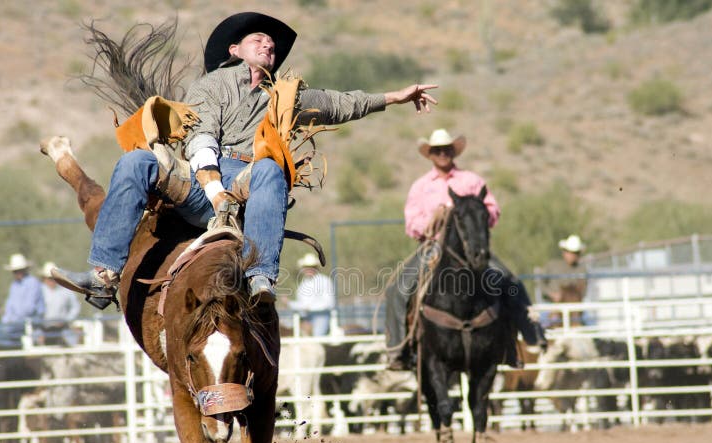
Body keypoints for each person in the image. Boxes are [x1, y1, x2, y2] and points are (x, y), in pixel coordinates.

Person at [53, 12, 437, 308]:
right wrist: (213, 188)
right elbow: (201, 133)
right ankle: (105, 275)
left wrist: (394, 97)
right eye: (259, 39)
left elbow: (340, 103)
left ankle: (260, 278)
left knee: (271, 166)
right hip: (198, 180)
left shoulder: (285, 96)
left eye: (272, 43)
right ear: (234, 50)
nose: (269, 44)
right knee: (137, 162)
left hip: (249, 180)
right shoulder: (212, 85)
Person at [384, 129, 546, 371]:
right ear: (430, 154)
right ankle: (398, 351)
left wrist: (473, 215)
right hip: (433, 247)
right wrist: (432, 221)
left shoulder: (471, 181)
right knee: (397, 290)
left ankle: (526, 337)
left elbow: (492, 210)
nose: (443, 153)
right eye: (437, 150)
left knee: (509, 281)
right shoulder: (420, 186)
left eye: (447, 149)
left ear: (454, 151)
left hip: (472, 248)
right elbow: (411, 223)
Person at [0, 253, 45, 348]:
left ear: (25, 270)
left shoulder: (33, 283)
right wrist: (6, 320)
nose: (17, 273)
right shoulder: (14, 285)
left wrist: (11, 321)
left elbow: (29, 309)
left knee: (0, 333)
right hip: (16, 324)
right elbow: (9, 306)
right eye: (15, 271)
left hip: (30, 323)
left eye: (19, 270)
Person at [540, 234, 588, 326]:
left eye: (575, 253)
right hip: (553, 305)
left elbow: (583, 290)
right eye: (570, 252)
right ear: (564, 252)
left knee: (588, 324)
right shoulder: (552, 265)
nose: (572, 255)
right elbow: (541, 283)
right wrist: (551, 294)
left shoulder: (582, 269)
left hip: (575, 308)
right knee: (543, 324)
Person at [287, 252, 336, 337]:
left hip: (321, 317)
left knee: (317, 336)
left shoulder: (325, 281)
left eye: (311, 267)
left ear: (316, 268)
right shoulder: (302, 285)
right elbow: (301, 305)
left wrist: (309, 308)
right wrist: (289, 303)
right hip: (305, 318)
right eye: (306, 267)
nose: (308, 269)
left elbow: (329, 303)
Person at [37, 261, 82, 346]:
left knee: (72, 344)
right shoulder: (39, 290)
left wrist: (67, 319)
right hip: (44, 329)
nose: (51, 280)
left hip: (63, 327)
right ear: (44, 278)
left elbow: (75, 306)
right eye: (49, 278)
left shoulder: (65, 289)